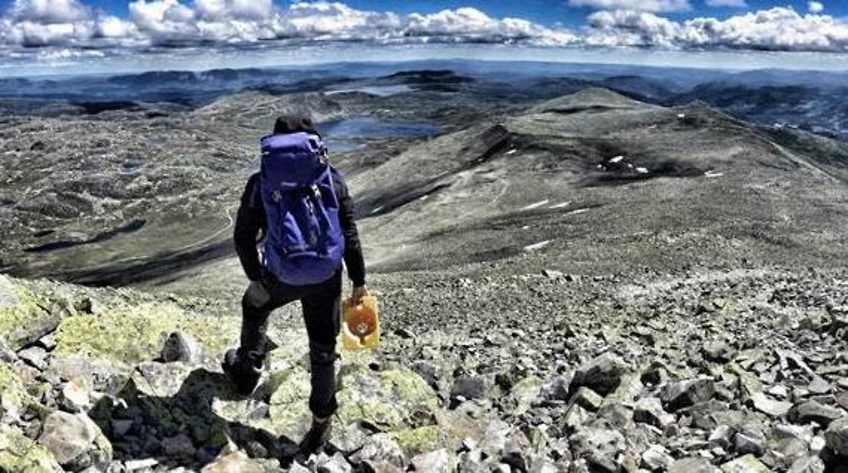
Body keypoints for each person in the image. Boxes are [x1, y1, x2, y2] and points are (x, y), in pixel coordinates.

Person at [224, 115, 368, 452]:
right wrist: (358, 280)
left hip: (280, 276)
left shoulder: (261, 184)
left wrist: (257, 277)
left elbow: (243, 238)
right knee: (323, 349)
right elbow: (349, 233)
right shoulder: (332, 179)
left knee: (253, 304)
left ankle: (247, 370)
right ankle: (320, 423)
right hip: (326, 278)